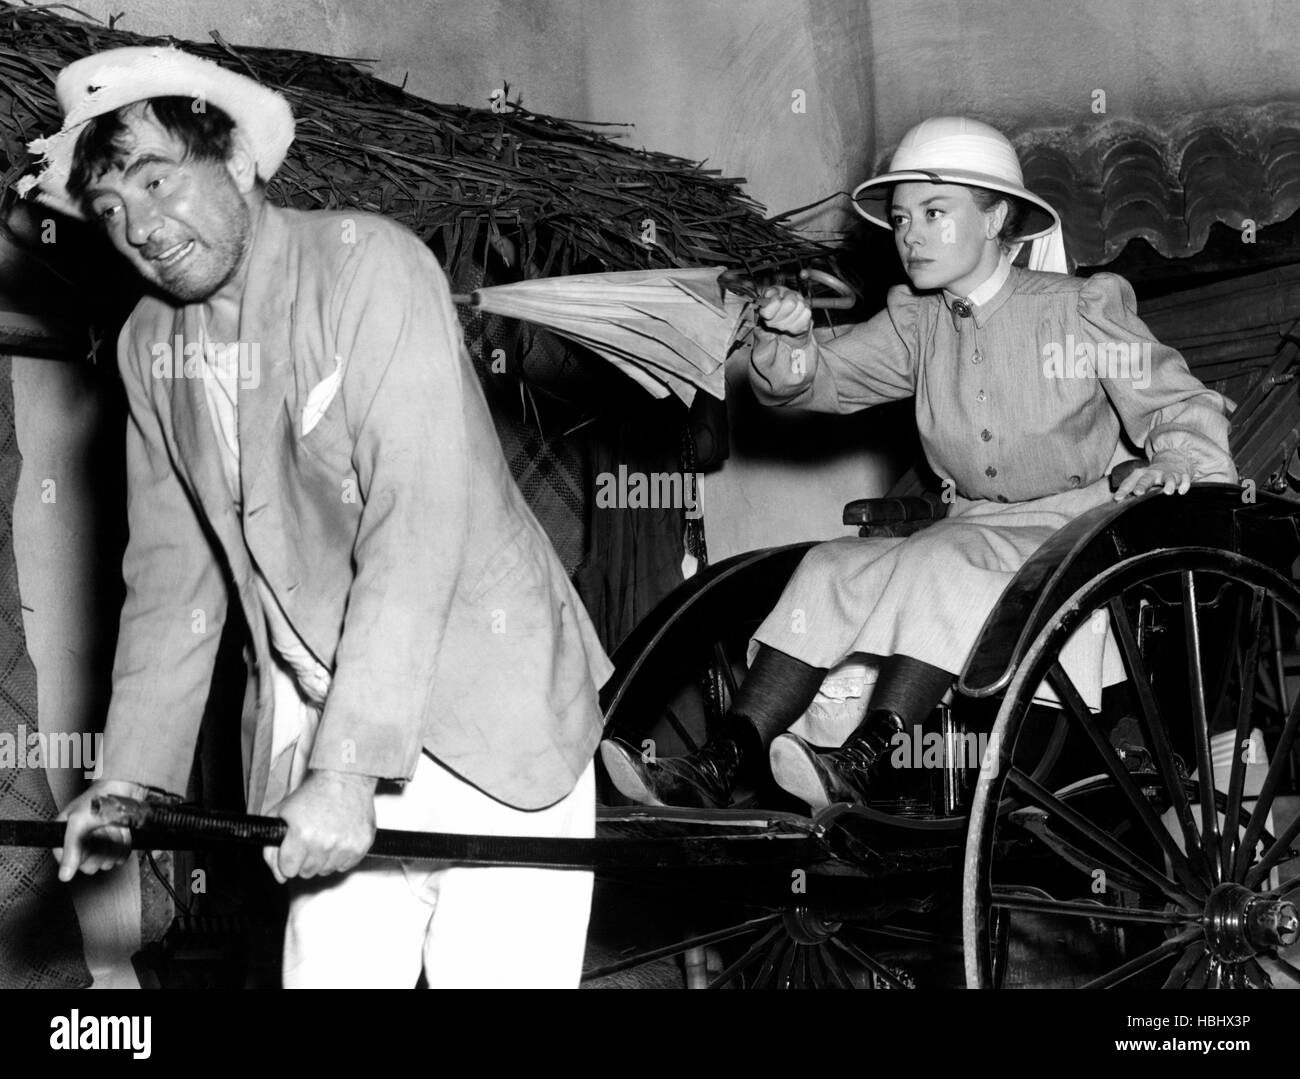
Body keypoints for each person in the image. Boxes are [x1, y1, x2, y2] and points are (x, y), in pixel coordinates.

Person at [22, 45, 613, 988]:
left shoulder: (367, 265)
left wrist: (348, 772)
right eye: (110, 209)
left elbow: (413, 524)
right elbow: (174, 577)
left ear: (241, 162)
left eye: (157, 179)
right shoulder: (147, 344)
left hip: (488, 721)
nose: (140, 225)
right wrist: (135, 778)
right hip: (315, 736)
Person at [601, 116, 1237, 813]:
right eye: (902, 219)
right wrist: (793, 338)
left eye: (936, 213)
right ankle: (724, 761)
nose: (911, 235)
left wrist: (1172, 462)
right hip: (966, 528)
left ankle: (866, 760)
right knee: (830, 565)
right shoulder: (919, 322)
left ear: (996, 217)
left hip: (1067, 537)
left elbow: (1175, 398)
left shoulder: (1078, 310)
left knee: (941, 561)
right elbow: (825, 377)